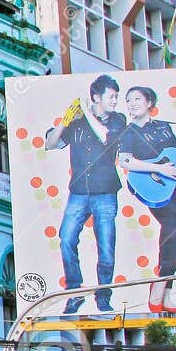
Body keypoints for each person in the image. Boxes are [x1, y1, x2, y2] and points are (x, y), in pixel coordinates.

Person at [44, 73, 126, 312]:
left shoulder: (117, 120)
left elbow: (107, 137)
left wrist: (87, 113)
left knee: (106, 246)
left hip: (105, 191)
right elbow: (50, 144)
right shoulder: (77, 123)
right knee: (66, 238)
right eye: (111, 96)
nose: (114, 101)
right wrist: (65, 120)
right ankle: (74, 291)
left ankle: (103, 295)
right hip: (79, 191)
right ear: (96, 96)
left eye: (116, 97)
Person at [116, 86, 176, 313]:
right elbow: (126, 162)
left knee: (170, 238)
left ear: (149, 101)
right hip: (154, 186)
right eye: (128, 100)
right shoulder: (128, 132)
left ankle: (165, 297)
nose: (132, 103)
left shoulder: (163, 126)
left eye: (137, 99)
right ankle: (160, 284)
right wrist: (159, 169)